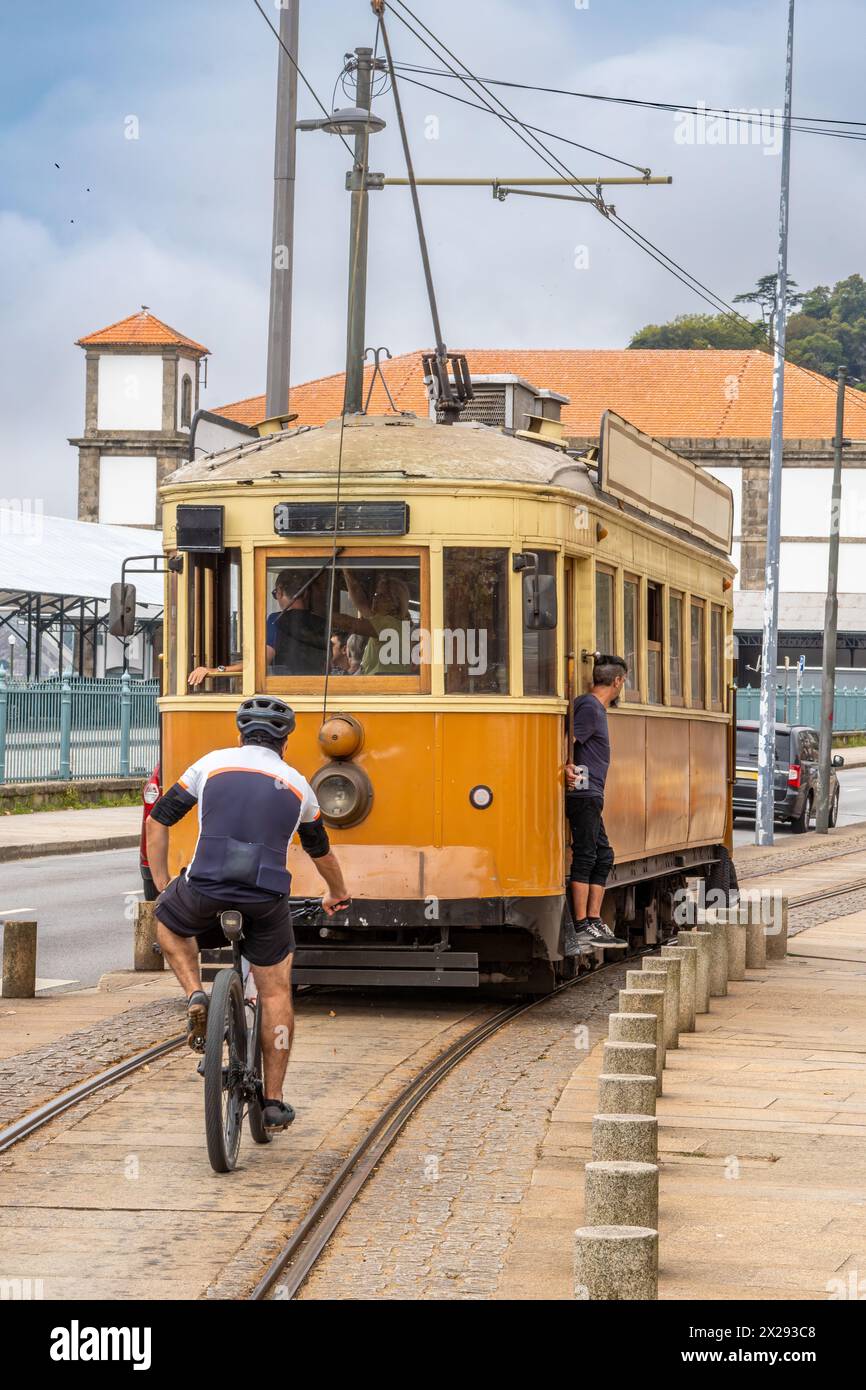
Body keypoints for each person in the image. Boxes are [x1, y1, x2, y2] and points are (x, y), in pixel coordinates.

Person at [145, 696, 349, 1130]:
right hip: (265, 897)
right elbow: (321, 851)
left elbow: (160, 818)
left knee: (167, 924)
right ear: (285, 743)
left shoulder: (212, 764)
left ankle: (195, 993)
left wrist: (163, 882)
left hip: (205, 887)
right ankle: (273, 1102)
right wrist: (337, 892)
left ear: (240, 735)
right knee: (275, 992)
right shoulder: (298, 785)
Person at [563, 655, 629, 953]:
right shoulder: (589, 707)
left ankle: (592, 919)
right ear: (617, 681)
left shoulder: (594, 708)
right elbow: (568, 739)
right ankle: (580, 925)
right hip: (584, 791)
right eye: (623, 682)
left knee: (604, 855)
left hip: (591, 792)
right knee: (588, 855)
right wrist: (565, 766)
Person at [343, 570, 413, 675]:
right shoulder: (399, 625)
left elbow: (350, 622)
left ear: (395, 603)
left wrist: (327, 617)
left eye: (381, 596)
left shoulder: (388, 623)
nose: (375, 599)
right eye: (376, 594)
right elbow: (361, 603)